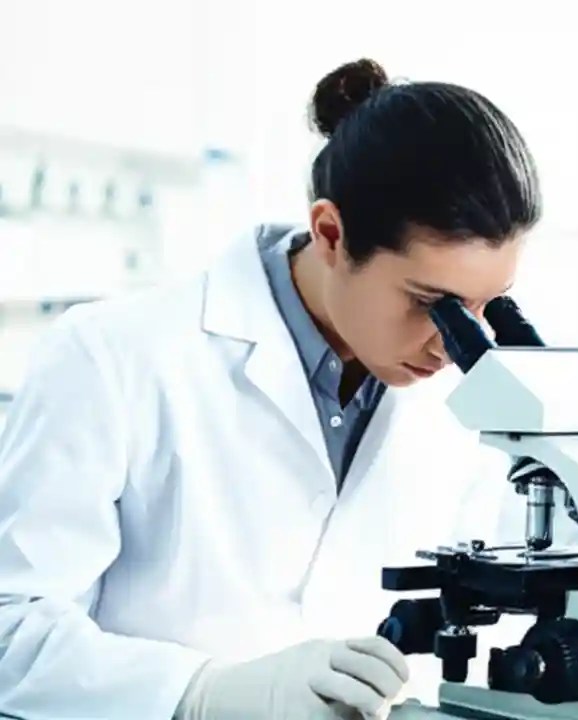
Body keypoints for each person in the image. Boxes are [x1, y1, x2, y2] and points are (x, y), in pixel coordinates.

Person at [0, 58, 541, 719]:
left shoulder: (457, 403)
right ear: (331, 234)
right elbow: (12, 632)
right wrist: (201, 695)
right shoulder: (111, 356)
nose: (452, 344)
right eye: (432, 302)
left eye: (486, 307)